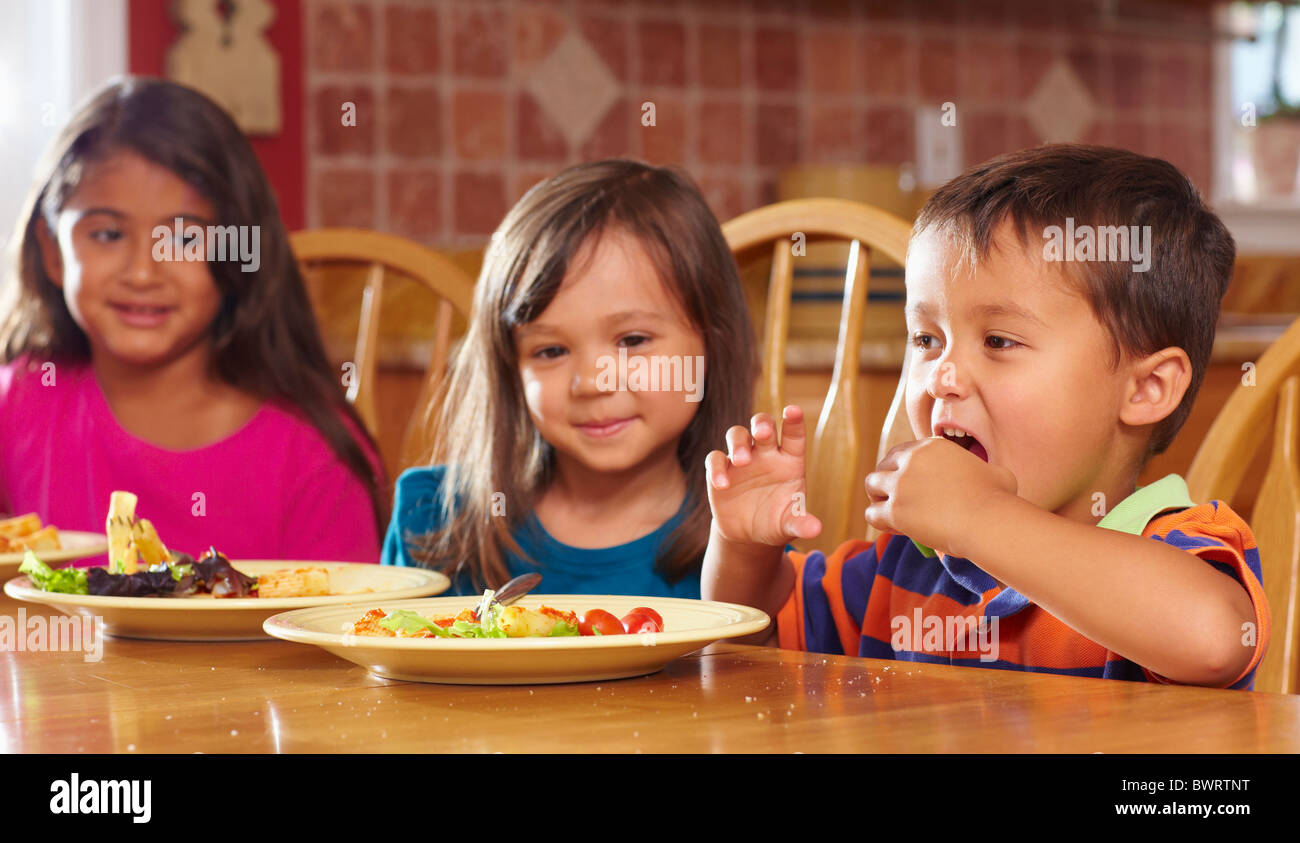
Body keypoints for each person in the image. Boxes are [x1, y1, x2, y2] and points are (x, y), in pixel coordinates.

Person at [703, 144, 1271, 689]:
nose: (942, 377)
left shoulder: (1178, 547)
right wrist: (745, 547)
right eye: (926, 338)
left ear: (1146, 387)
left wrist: (979, 517)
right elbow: (757, 632)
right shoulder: (907, 566)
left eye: (998, 340)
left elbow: (1217, 638)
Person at [0, 77, 384, 563]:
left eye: (184, 240)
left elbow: (343, 628)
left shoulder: (312, 453)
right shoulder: (18, 404)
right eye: (108, 234)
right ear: (53, 252)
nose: (142, 272)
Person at [383, 160, 756, 596]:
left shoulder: (745, 547)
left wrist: (747, 558)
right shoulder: (431, 521)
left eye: (632, 340)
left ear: (713, 341)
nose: (592, 383)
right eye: (551, 351)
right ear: (510, 367)